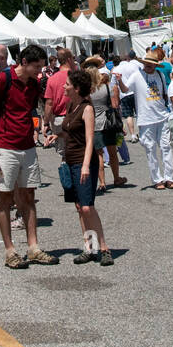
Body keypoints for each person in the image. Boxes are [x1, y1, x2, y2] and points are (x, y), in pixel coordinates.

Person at [0, 44, 59, 268]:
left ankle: (33, 247)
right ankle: (10, 251)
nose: (40, 72)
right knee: (5, 198)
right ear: (24, 62)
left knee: (29, 196)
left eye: (41, 67)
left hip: (28, 147)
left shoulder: (33, 84)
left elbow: (35, 109)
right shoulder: (2, 80)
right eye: (37, 67)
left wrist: (44, 128)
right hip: (5, 146)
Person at [48, 69, 113, 265]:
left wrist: (85, 166)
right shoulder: (71, 106)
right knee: (79, 207)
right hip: (70, 161)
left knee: (87, 207)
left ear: (76, 88)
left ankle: (104, 248)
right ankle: (89, 247)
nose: (64, 86)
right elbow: (70, 131)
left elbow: (90, 139)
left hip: (83, 162)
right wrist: (57, 135)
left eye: (67, 84)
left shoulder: (87, 109)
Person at [116, 51, 173, 189]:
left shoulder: (160, 75)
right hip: (146, 118)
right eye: (147, 63)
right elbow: (125, 90)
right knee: (150, 149)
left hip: (162, 116)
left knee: (166, 147)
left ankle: (169, 178)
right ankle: (157, 179)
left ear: (155, 65)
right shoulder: (137, 75)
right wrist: (119, 81)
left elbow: (164, 94)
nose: (148, 65)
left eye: (151, 64)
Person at [83, 56, 126, 189]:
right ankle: (116, 178)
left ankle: (102, 182)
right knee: (112, 153)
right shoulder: (107, 87)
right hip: (108, 123)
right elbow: (114, 105)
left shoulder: (86, 91)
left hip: (93, 124)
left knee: (99, 154)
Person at [41, 48, 75, 145]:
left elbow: (49, 103)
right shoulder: (77, 76)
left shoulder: (52, 79)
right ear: (69, 59)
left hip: (59, 120)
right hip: (76, 117)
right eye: (73, 58)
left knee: (62, 150)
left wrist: (46, 123)